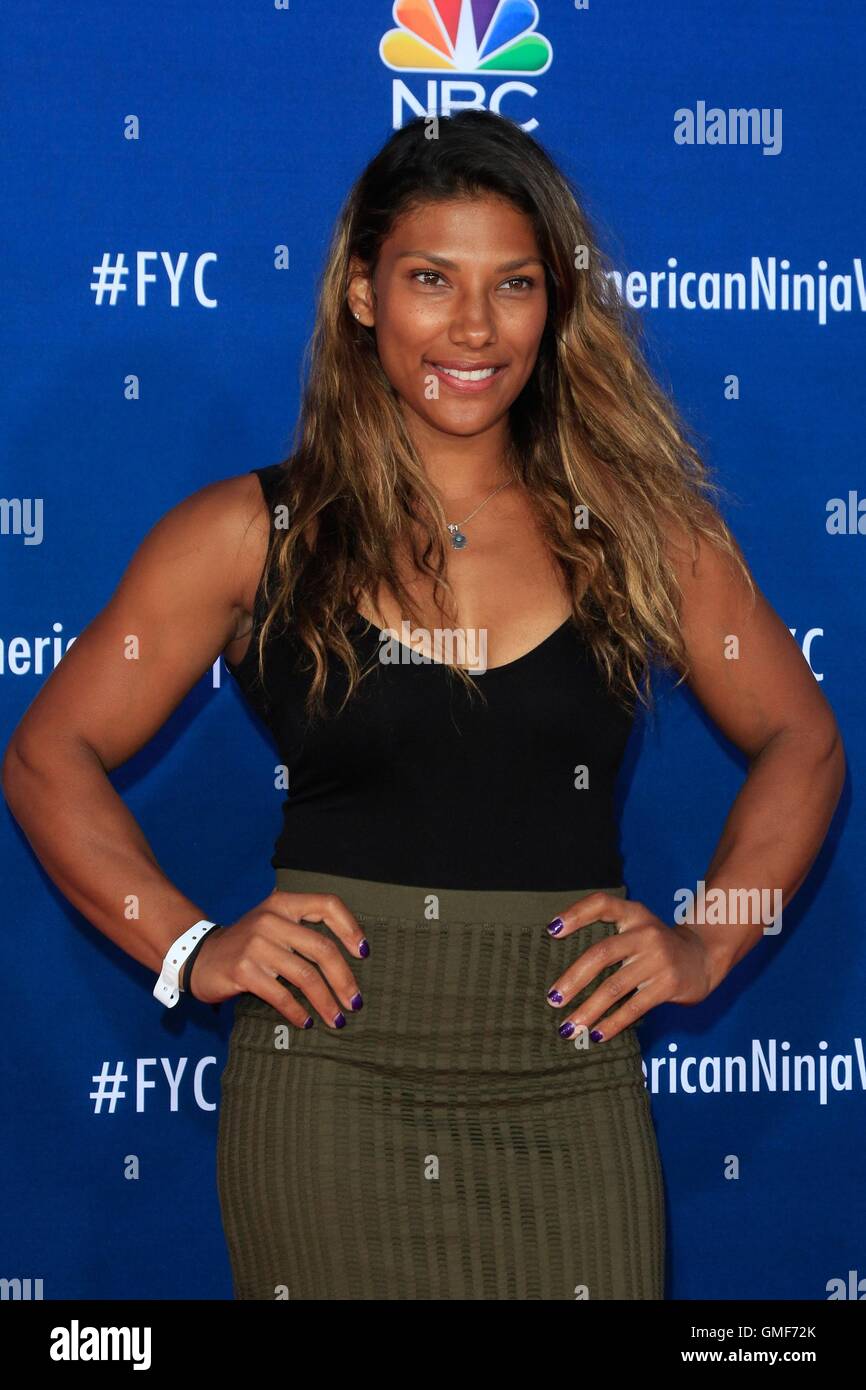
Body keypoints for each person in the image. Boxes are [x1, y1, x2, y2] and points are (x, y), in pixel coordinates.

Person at [2, 111, 845, 1302]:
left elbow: (799, 738)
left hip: (569, 1074)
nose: (470, 326)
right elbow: (49, 754)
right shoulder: (253, 534)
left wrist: (707, 939)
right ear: (361, 295)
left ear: (552, 307)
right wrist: (190, 945)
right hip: (328, 1089)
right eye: (430, 280)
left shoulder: (640, 533)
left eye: (512, 285)